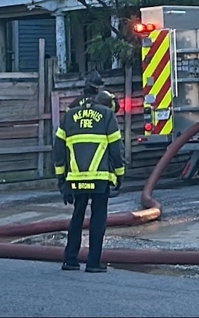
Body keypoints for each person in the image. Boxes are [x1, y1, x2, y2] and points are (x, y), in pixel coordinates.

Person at [54, 74, 126, 273]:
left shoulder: (70, 113)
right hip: (100, 177)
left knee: (77, 216)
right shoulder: (107, 114)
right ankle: (93, 263)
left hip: (75, 177)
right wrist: (119, 174)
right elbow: (115, 148)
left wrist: (61, 179)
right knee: (98, 218)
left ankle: (70, 260)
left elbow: (58, 149)